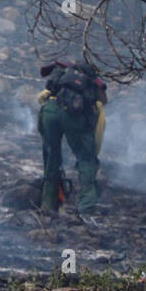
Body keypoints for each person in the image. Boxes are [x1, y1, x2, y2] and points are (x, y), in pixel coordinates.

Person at [37, 60, 107, 215]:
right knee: (86, 159)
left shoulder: (61, 76)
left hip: (50, 111)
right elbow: (100, 122)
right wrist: (93, 150)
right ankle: (86, 207)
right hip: (74, 116)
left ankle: (48, 204)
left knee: (51, 157)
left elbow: (42, 98)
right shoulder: (93, 86)